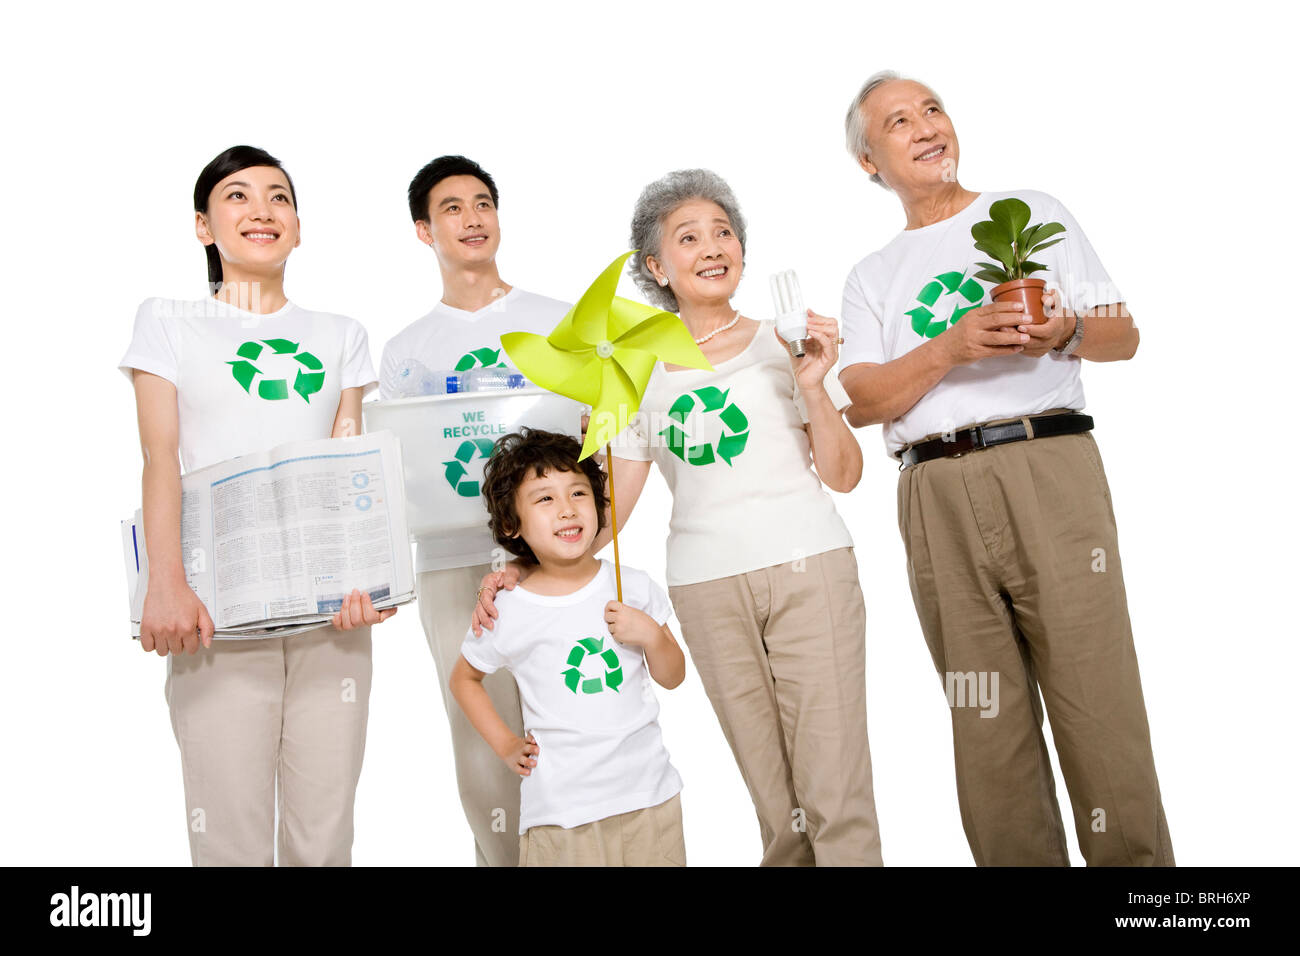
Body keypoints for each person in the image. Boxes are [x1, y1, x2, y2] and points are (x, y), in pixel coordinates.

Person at [476, 169, 884, 867]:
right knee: (773, 798)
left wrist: (814, 385)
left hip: (809, 568)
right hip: (706, 586)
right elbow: (612, 510)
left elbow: (845, 474)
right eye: (688, 237)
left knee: (835, 789)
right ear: (656, 268)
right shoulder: (638, 375)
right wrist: (519, 565)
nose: (712, 246)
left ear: (743, 253)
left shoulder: (785, 344)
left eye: (723, 232)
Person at [838, 71, 1174, 866]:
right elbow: (861, 398)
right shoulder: (871, 275)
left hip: (1046, 465)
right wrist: (954, 344)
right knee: (983, 719)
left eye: (933, 109)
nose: (926, 126)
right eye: (898, 121)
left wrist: (1062, 330)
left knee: (1098, 697)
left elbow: (1123, 335)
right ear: (869, 163)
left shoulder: (1030, 213)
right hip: (933, 492)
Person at [119, 145, 393, 866]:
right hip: (216, 612)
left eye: (279, 196)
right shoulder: (170, 323)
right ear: (204, 226)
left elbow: (349, 463)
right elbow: (159, 462)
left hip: (330, 615)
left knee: (325, 835)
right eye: (237, 196)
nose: (262, 210)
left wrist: (373, 578)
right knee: (230, 837)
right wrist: (165, 583)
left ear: (298, 228)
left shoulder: (340, 335)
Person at [378, 155, 573, 866]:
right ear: (424, 231)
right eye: (453, 208)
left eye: (483, 202)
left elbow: (598, 440)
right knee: (483, 737)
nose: (473, 218)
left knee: (573, 718)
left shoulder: (558, 323)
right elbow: (397, 470)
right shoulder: (405, 352)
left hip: (553, 560)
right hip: (455, 567)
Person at [449, 429, 687, 866]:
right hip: (560, 814)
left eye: (578, 492)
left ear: (598, 506)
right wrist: (505, 744)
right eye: (545, 499)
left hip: (649, 798)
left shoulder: (631, 586)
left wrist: (651, 634)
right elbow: (465, 678)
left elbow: (673, 676)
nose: (566, 509)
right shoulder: (509, 608)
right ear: (511, 524)